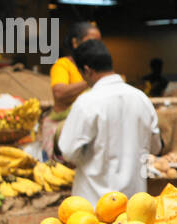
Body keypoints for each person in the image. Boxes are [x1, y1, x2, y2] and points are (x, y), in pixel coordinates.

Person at [57, 41, 161, 200]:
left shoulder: (86, 102)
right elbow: (155, 148)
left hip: (94, 206)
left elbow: (69, 151)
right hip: (133, 206)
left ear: (87, 70)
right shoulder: (142, 99)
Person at [50, 20, 99, 113]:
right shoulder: (63, 64)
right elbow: (59, 93)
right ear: (75, 42)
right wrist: (91, 81)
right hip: (66, 121)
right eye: (91, 42)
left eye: (98, 42)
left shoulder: (97, 65)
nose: (96, 46)